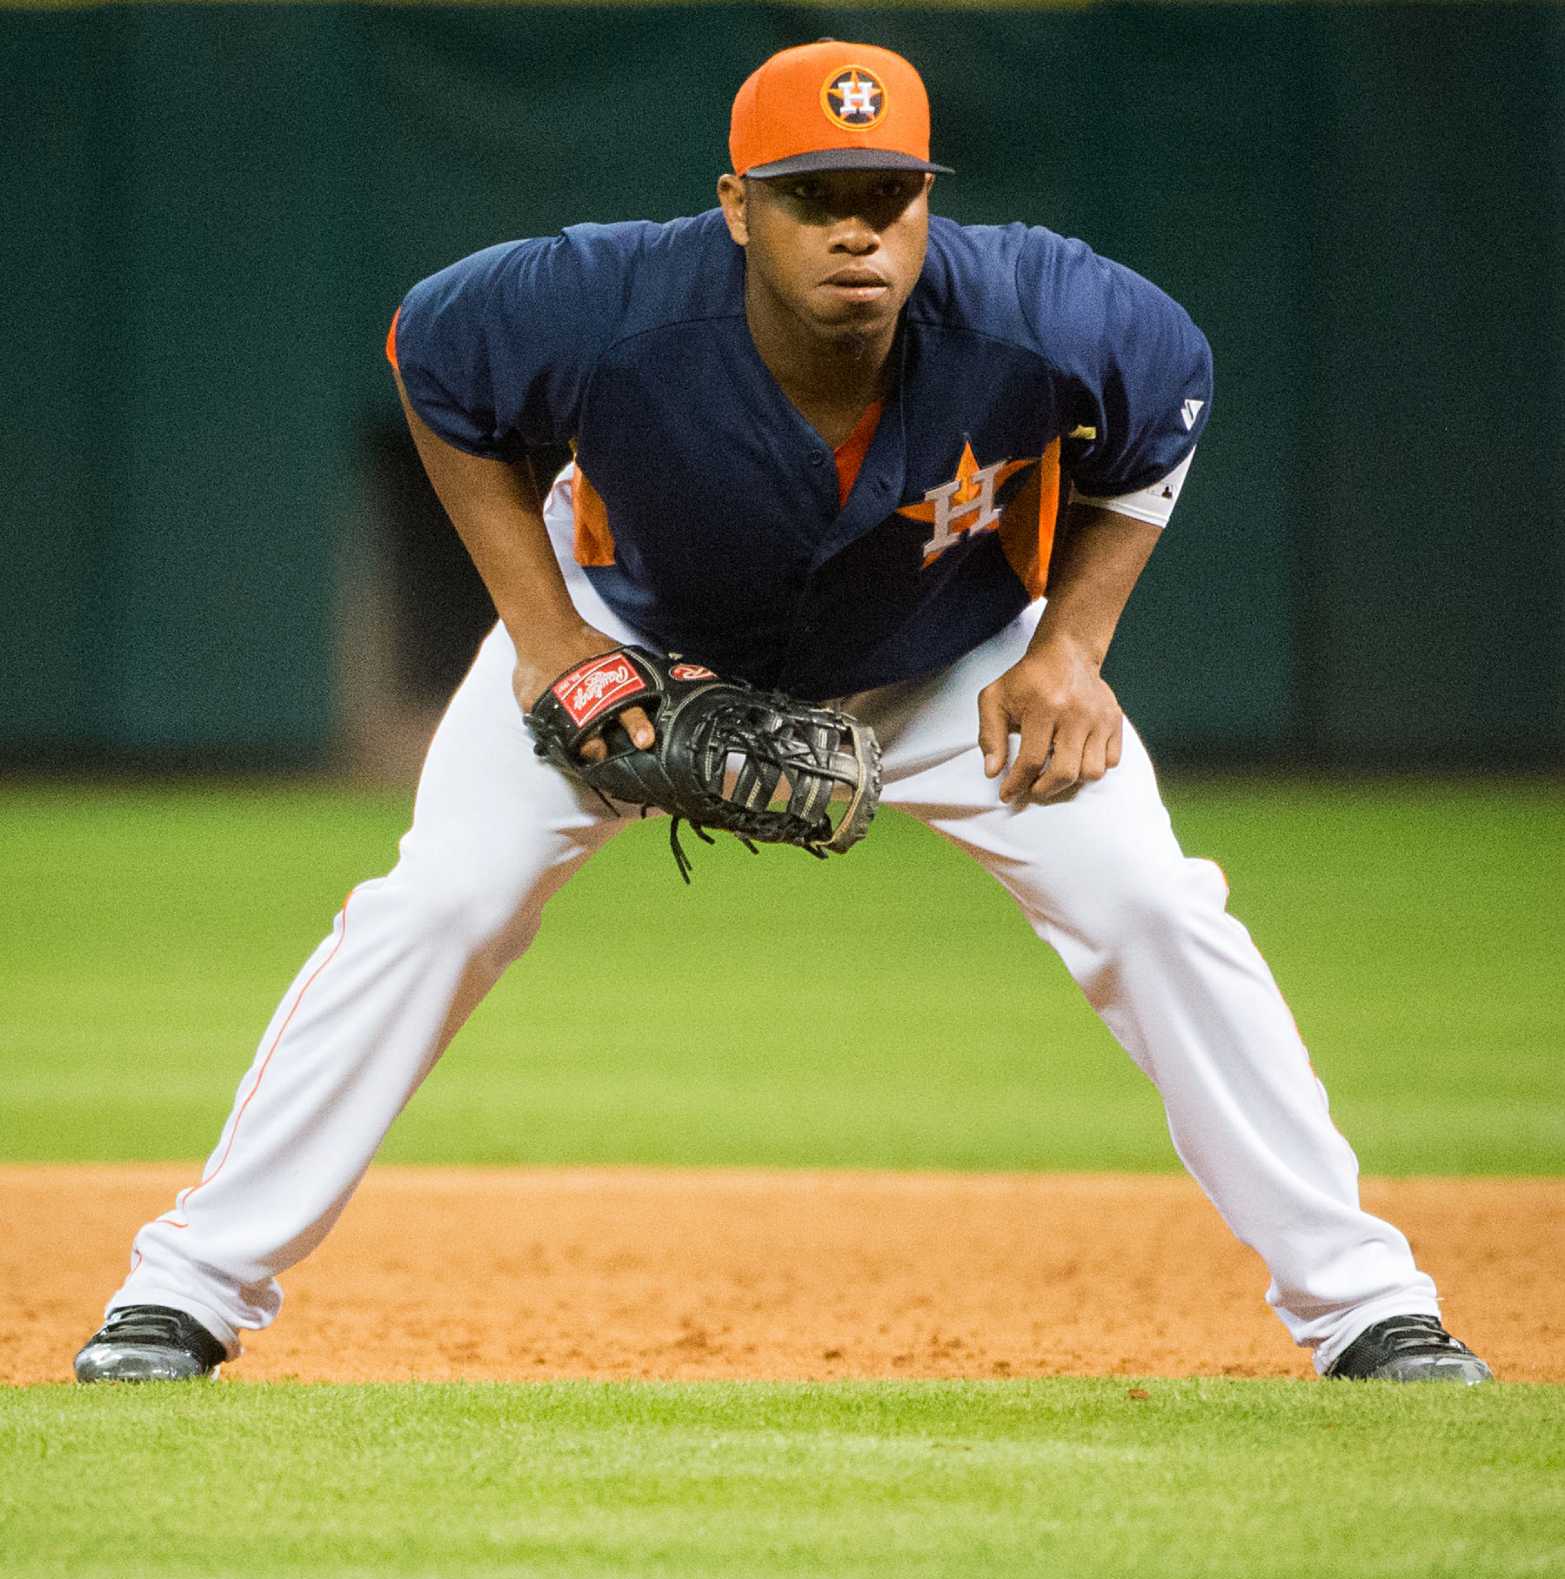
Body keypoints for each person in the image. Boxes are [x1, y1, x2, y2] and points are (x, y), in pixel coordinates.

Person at [73, 40, 1490, 1387]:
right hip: (635, 644)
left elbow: (1163, 406)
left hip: (944, 660)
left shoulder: (1047, 312)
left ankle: (1366, 1304)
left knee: (1153, 909)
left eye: (888, 198)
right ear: (737, 207)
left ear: (931, 205)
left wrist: (1072, 648)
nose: (857, 233)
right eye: (816, 199)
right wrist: (549, 633)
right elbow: (432, 366)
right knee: (439, 904)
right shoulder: (602, 300)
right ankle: (187, 1289)